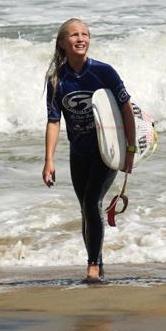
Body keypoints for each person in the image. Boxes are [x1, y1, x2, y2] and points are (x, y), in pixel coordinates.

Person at [43, 19, 136, 284]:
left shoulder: (103, 72)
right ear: (62, 43)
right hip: (79, 153)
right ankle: (98, 263)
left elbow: (126, 108)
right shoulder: (57, 79)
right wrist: (49, 160)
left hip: (107, 150)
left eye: (85, 34)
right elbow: (53, 121)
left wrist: (130, 149)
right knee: (86, 209)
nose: (81, 38)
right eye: (74, 35)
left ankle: (92, 266)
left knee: (91, 202)